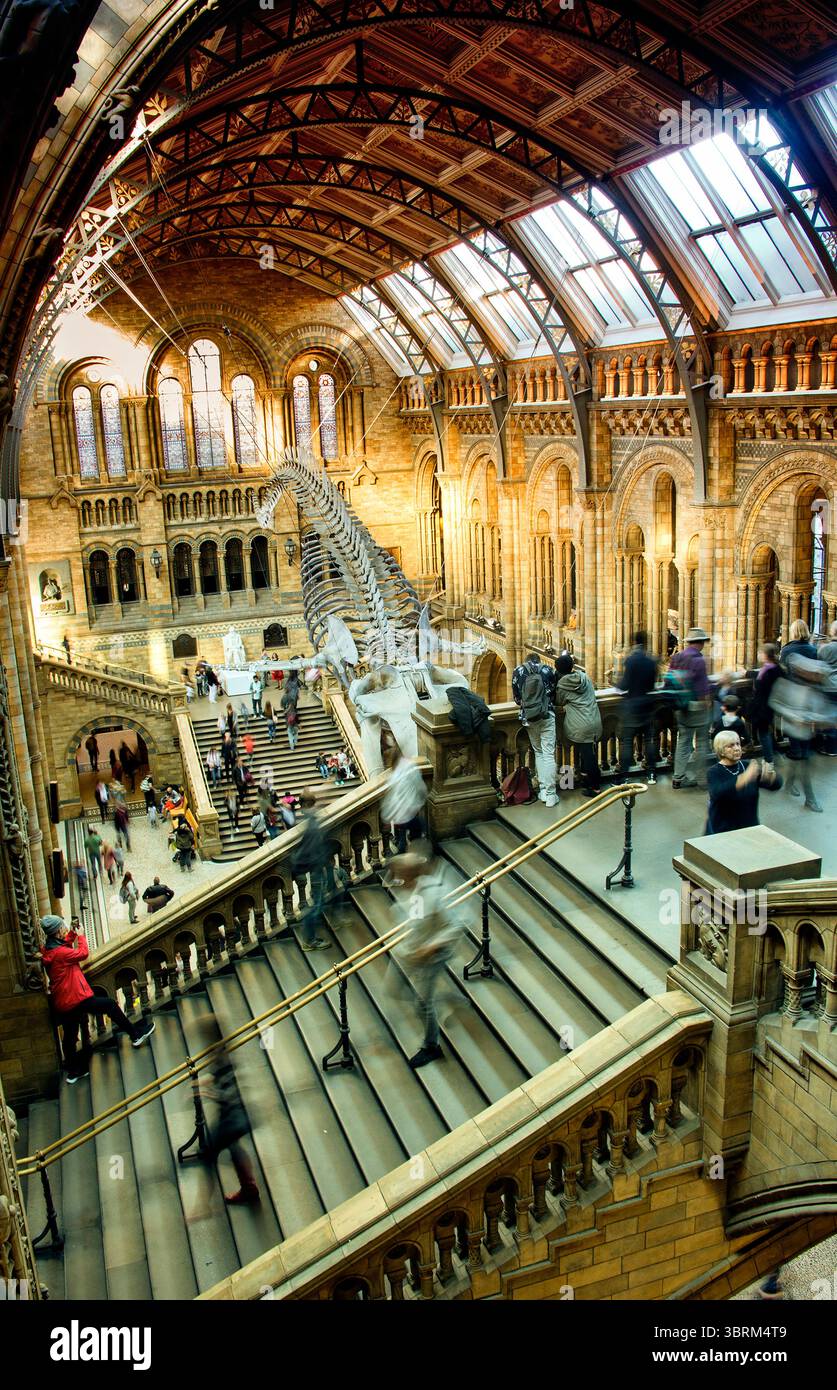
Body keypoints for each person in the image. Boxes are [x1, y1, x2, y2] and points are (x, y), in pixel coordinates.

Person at [39, 915, 154, 1082]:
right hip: (75, 998)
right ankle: (135, 1035)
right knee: (110, 1005)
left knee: (70, 1036)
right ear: (57, 932)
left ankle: (73, 1071)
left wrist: (71, 933)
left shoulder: (50, 950)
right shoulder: (60, 953)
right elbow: (82, 953)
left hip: (65, 1000)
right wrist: (81, 936)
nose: (64, 929)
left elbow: (63, 946)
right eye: (62, 928)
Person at [387, 842, 463, 1069]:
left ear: (411, 874)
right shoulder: (405, 888)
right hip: (409, 950)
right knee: (393, 988)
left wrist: (432, 946)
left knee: (422, 1003)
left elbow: (457, 923)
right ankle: (434, 1001)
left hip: (432, 955)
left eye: (401, 873)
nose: (397, 878)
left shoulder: (434, 893)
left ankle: (431, 1046)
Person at [191, 1014, 259, 1207]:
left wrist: (206, 1092)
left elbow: (226, 1093)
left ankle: (202, 1207)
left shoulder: (217, 1053)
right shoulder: (223, 1050)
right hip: (236, 1116)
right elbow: (224, 1075)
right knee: (233, 1146)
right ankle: (248, 1187)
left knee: (208, 1153)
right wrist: (206, 1083)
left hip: (231, 1118)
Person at [706, 731, 781, 834]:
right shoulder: (714, 772)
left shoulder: (747, 766)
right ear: (721, 751)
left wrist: (771, 778)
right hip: (724, 830)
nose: (736, 748)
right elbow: (717, 793)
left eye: (738, 744)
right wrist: (742, 779)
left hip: (749, 828)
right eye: (730, 746)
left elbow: (774, 786)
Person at [511, 652, 558, 806]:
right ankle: (551, 795)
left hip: (529, 718)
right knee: (548, 754)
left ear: (526, 661)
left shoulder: (518, 671)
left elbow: (517, 699)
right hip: (546, 716)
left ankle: (543, 790)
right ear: (539, 660)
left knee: (538, 752)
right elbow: (553, 694)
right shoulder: (548, 670)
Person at [669, 627, 712, 790]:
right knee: (701, 741)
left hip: (680, 706)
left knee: (683, 741)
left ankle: (677, 777)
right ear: (700, 643)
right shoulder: (698, 660)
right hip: (696, 707)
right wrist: (707, 703)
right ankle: (701, 777)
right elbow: (702, 688)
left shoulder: (677, 657)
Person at [554, 654, 603, 796]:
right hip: (594, 719)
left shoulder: (562, 685)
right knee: (587, 754)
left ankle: (595, 788)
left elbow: (559, 701)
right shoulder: (584, 677)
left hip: (580, 725)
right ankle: (587, 781)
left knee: (589, 757)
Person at [616, 631, 659, 785]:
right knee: (649, 741)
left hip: (632, 707)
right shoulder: (651, 661)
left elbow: (625, 684)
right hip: (648, 706)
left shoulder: (631, 660)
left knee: (627, 742)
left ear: (635, 642)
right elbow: (652, 685)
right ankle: (652, 774)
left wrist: (618, 687)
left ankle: (625, 777)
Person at [290, 789, 331, 949]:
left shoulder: (307, 818)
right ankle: (309, 939)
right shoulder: (311, 823)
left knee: (317, 901)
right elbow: (311, 849)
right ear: (309, 804)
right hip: (315, 868)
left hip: (314, 867)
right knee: (316, 904)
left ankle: (310, 936)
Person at [381, 752, 427, 852]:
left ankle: (402, 853)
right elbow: (420, 787)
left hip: (399, 816)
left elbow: (390, 797)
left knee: (402, 837)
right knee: (419, 831)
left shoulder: (394, 775)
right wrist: (421, 800)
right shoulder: (410, 768)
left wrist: (387, 817)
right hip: (410, 812)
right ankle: (415, 853)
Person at [749, 644, 781, 769]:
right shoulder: (775, 668)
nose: (758, 655)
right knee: (766, 732)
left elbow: (760, 687)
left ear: (766, 655)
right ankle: (772, 756)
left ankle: (769, 761)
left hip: (763, 708)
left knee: (763, 733)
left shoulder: (768, 671)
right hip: (770, 706)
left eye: (760, 652)